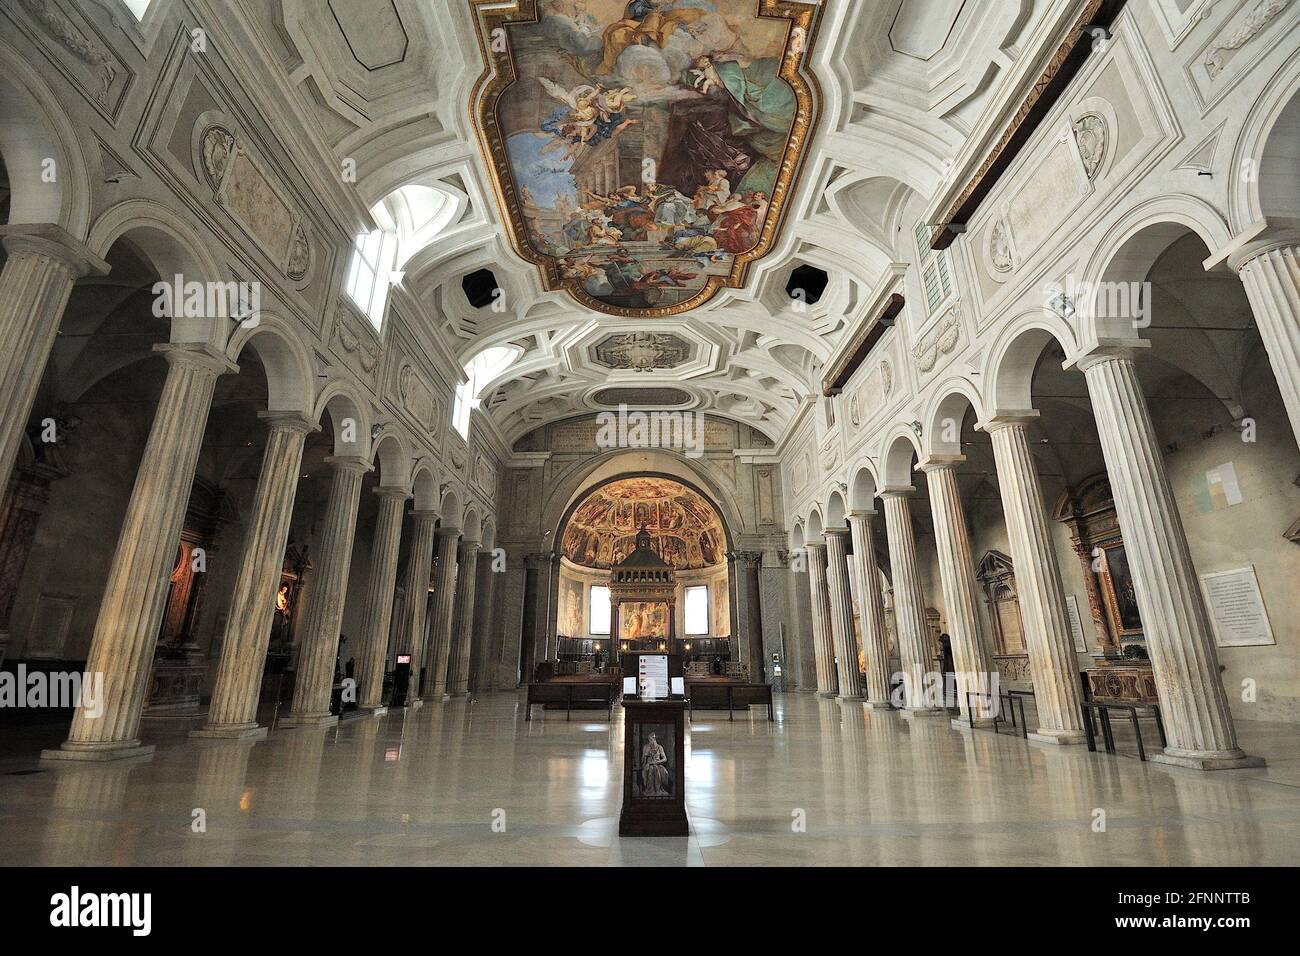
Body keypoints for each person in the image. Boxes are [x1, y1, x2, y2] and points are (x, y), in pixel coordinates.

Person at [640, 732, 670, 796]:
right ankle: (651, 789)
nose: (653, 740)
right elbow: (642, 760)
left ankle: (658, 789)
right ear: (649, 739)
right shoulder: (646, 747)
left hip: (658, 764)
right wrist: (645, 755)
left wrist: (656, 762)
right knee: (651, 769)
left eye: (654, 738)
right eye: (651, 738)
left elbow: (665, 759)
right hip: (648, 765)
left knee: (662, 771)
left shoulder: (659, 747)